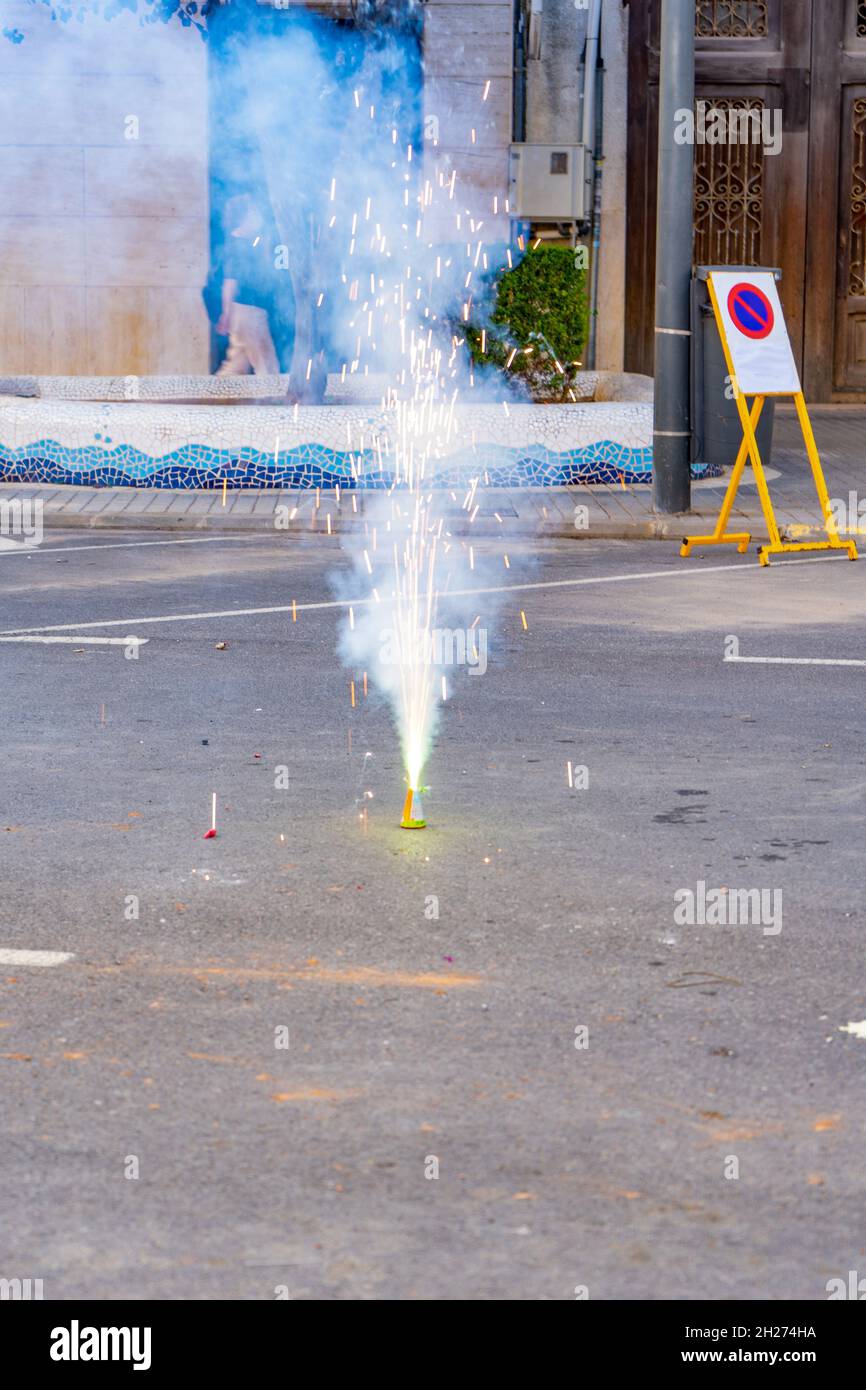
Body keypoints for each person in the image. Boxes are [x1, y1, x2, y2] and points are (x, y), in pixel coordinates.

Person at [215, 194, 280, 376]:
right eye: (254, 211)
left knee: (236, 365)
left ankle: (216, 398)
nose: (259, 215)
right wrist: (227, 314)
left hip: (244, 313)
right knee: (267, 366)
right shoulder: (237, 246)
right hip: (248, 313)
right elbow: (230, 282)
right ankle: (274, 400)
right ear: (245, 218)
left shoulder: (248, 243)